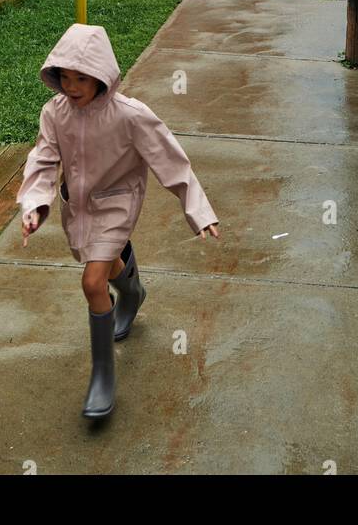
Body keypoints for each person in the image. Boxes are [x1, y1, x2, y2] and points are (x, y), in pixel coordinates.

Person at [17, 23, 220, 420]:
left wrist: (198, 211)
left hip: (117, 205)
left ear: (101, 78)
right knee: (103, 265)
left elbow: (170, 161)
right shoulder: (54, 113)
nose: (72, 87)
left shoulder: (130, 116)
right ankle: (132, 292)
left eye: (81, 78)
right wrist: (35, 204)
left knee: (92, 281)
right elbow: (42, 160)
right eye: (65, 77)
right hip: (77, 206)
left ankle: (102, 377)